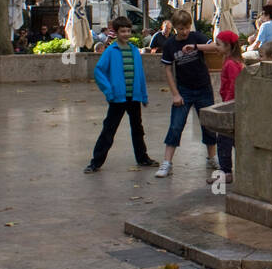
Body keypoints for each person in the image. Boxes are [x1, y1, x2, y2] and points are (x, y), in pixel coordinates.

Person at [84, 18, 157, 173]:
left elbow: (140, 75)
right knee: (109, 130)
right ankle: (95, 162)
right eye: (123, 31)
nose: (126, 34)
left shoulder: (134, 50)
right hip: (118, 98)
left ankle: (142, 158)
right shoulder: (110, 51)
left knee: (138, 129)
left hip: (134, 97)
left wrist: (143, 96)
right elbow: (99, 71)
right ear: (116, 33)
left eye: (128, 31)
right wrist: (109, 91)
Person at [156, 9, 221, 178]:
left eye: (186, 28)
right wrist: (175, 93)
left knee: (208, 125)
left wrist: (196, 47)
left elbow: (216, 46)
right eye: (180, 28)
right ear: (174, 27)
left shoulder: (196, 37)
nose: (184, 32)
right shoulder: (170, 45)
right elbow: (168, 70)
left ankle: (212, 157)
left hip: (203, 87)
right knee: (176, 125)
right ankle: (167, 162)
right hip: (184, 90)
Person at [210, 30, 244, 185]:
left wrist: (227, 105)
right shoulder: (232, 61)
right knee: (236, 140)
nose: (216, 47)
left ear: (228, 46)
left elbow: (234, 86)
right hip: (233, 106)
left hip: (230, 107)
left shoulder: (231, 64)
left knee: (223, 139)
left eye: (218, 44)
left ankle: (225, 172)